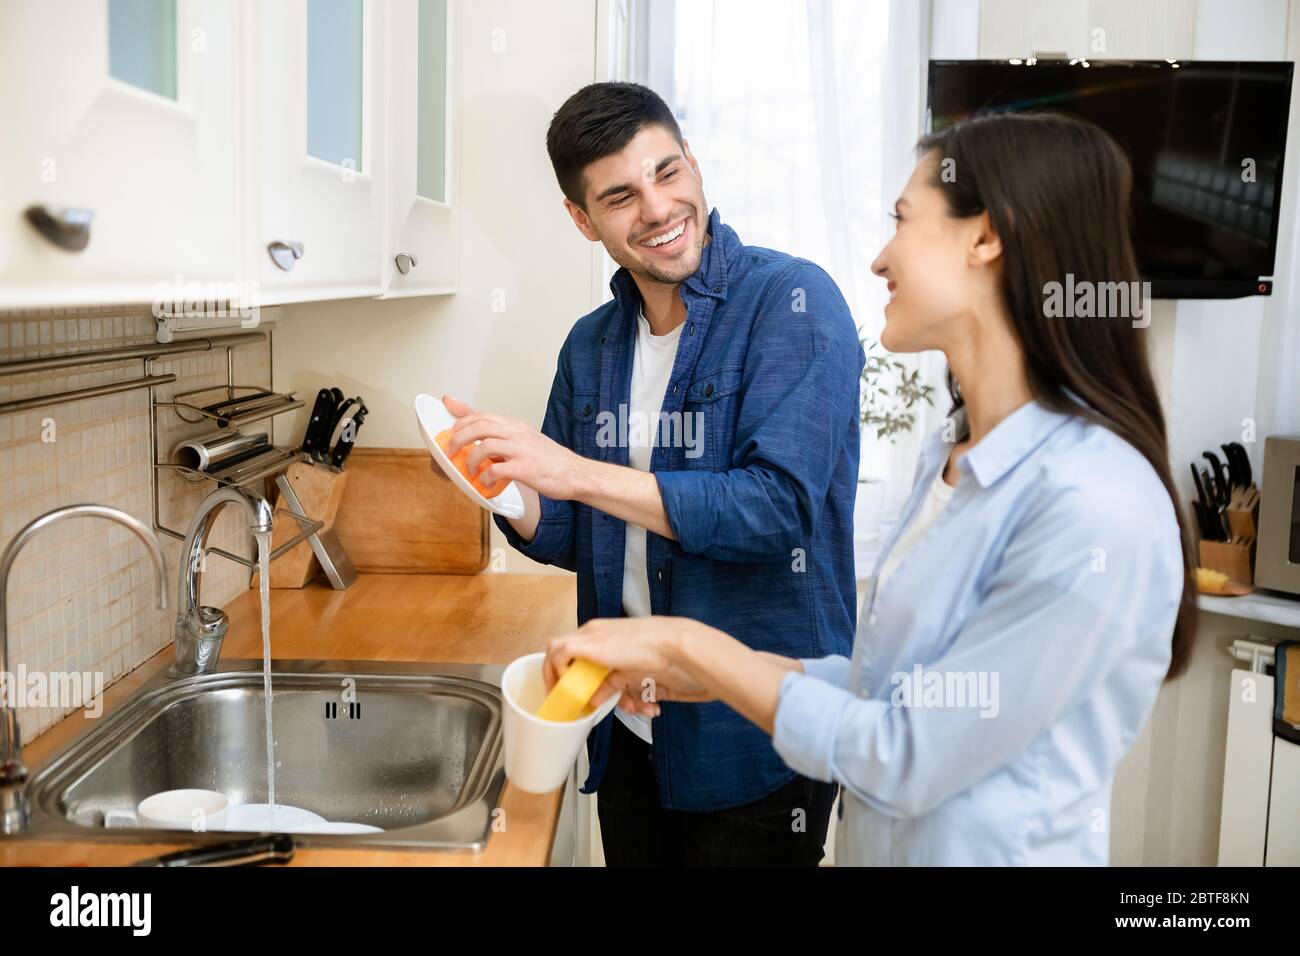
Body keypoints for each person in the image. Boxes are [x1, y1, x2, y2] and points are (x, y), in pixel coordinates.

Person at [541, 111, 1197, 866]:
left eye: (903, 221)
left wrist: (684, 641)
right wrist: (711, 673)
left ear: (987, 237)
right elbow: (888, 683)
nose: (881, 259)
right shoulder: (954, 460)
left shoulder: (1092, 504)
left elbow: (905, 751)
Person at [441, 82, 864, 865]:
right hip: (625, 726)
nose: (660, 208)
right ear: (583, 219)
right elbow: (576, 533)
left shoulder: (794, 304)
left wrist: (575, 472)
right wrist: (505, 487)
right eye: (621, 196)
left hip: (755, 745)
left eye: (668, 173)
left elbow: (775, 512)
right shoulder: (592, 346)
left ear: (694, 164)